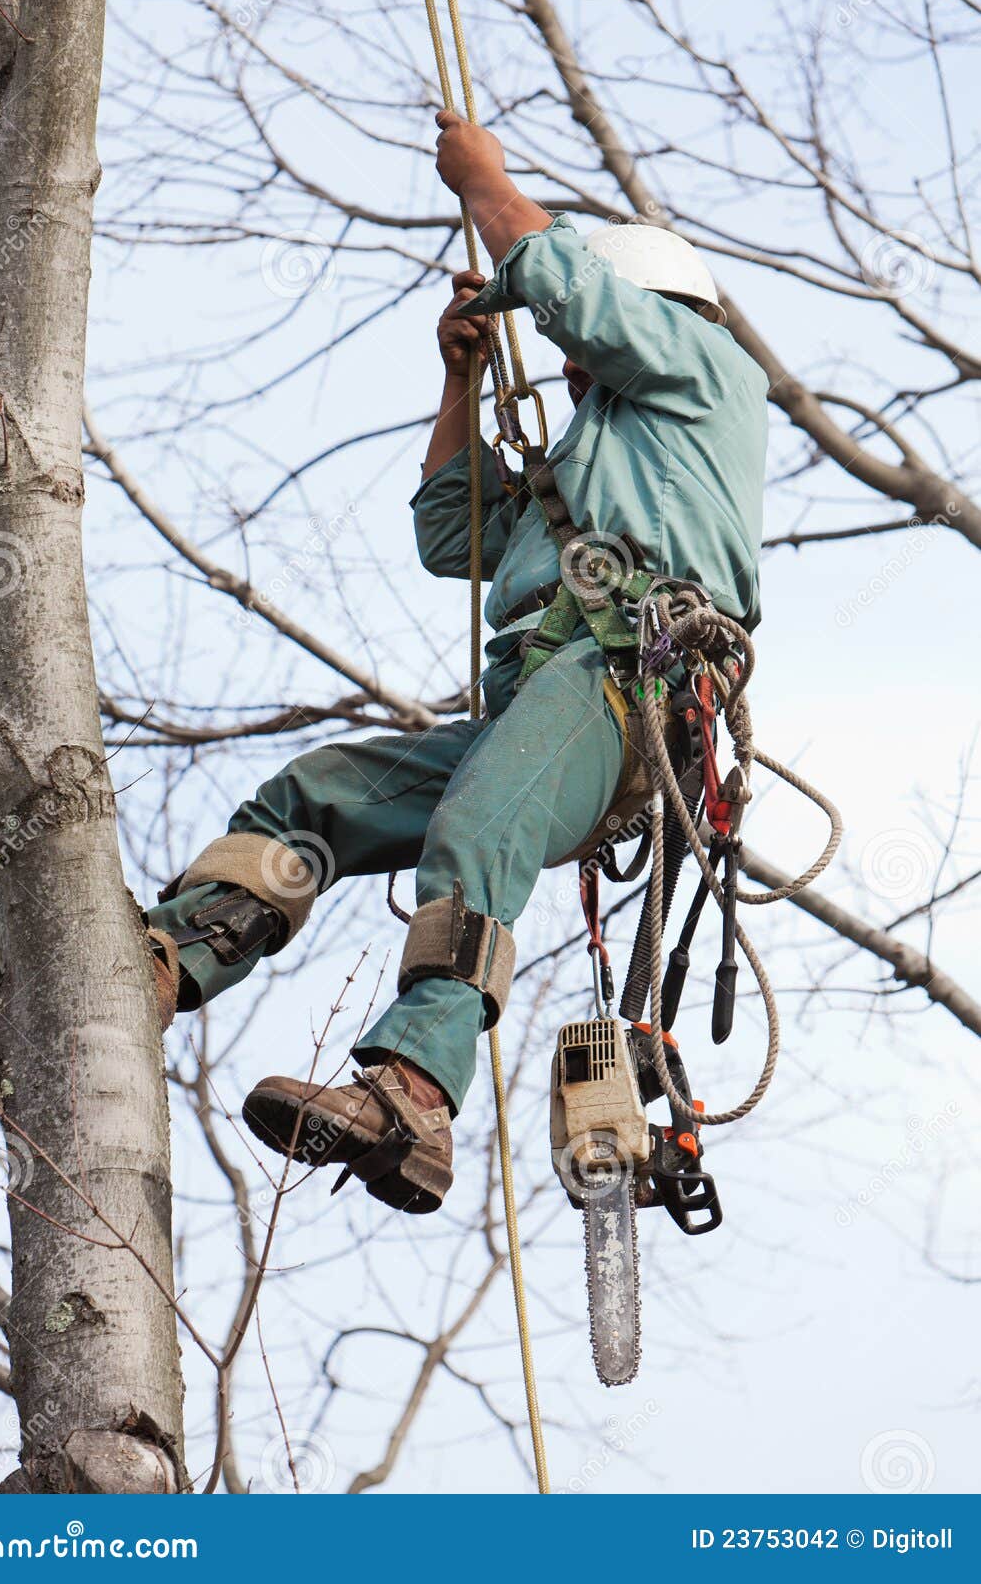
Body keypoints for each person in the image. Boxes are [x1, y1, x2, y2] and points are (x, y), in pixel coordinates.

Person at [144, 110, 769, 1215]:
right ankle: (170, 958)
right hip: (543, 704)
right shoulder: (582, 455)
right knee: (323, 792)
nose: (573, 355)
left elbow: (565, 282)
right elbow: (453, 535)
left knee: (475, 830)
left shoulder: (704, 378)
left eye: (591, 332)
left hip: (627, 685)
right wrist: (461, 388)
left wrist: (484, 179)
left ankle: (416, 1089)